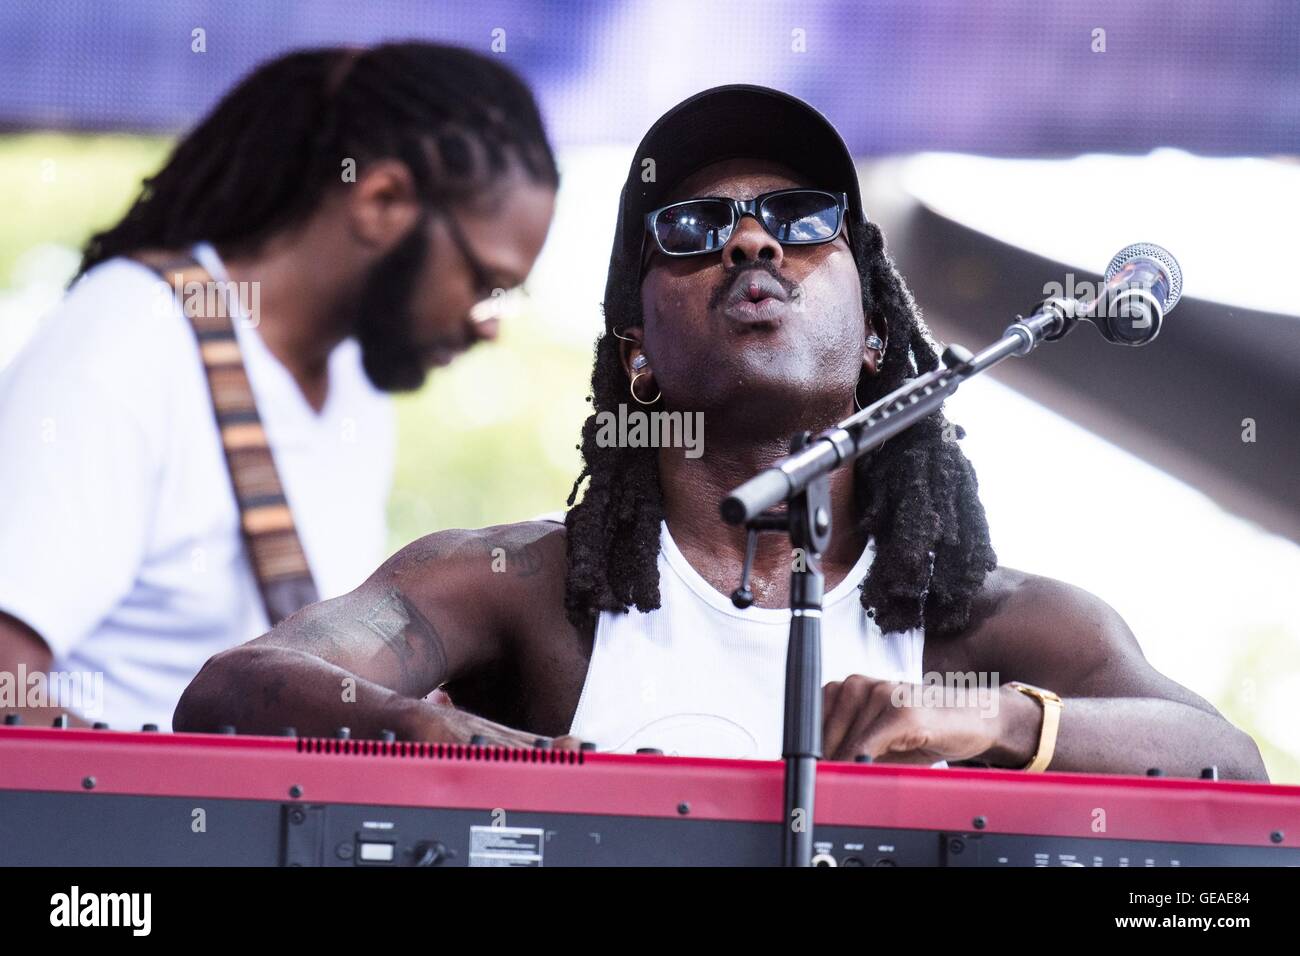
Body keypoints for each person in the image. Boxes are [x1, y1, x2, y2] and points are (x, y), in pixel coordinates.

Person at [174, 86, 1265, 779]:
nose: (750, 241)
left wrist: (983, 718)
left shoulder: (981, 621)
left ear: (878, 330)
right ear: (638, 354)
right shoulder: (519, 585)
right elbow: (231, 690)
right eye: (692, 230)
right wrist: (445, 735)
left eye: (799, 221)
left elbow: (1226, 761)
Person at [0, 43, 558, 730]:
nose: (491, 325)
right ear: (381, 200)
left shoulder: (353, 393)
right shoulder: (131, 337)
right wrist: (165, 809)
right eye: (485, 283)